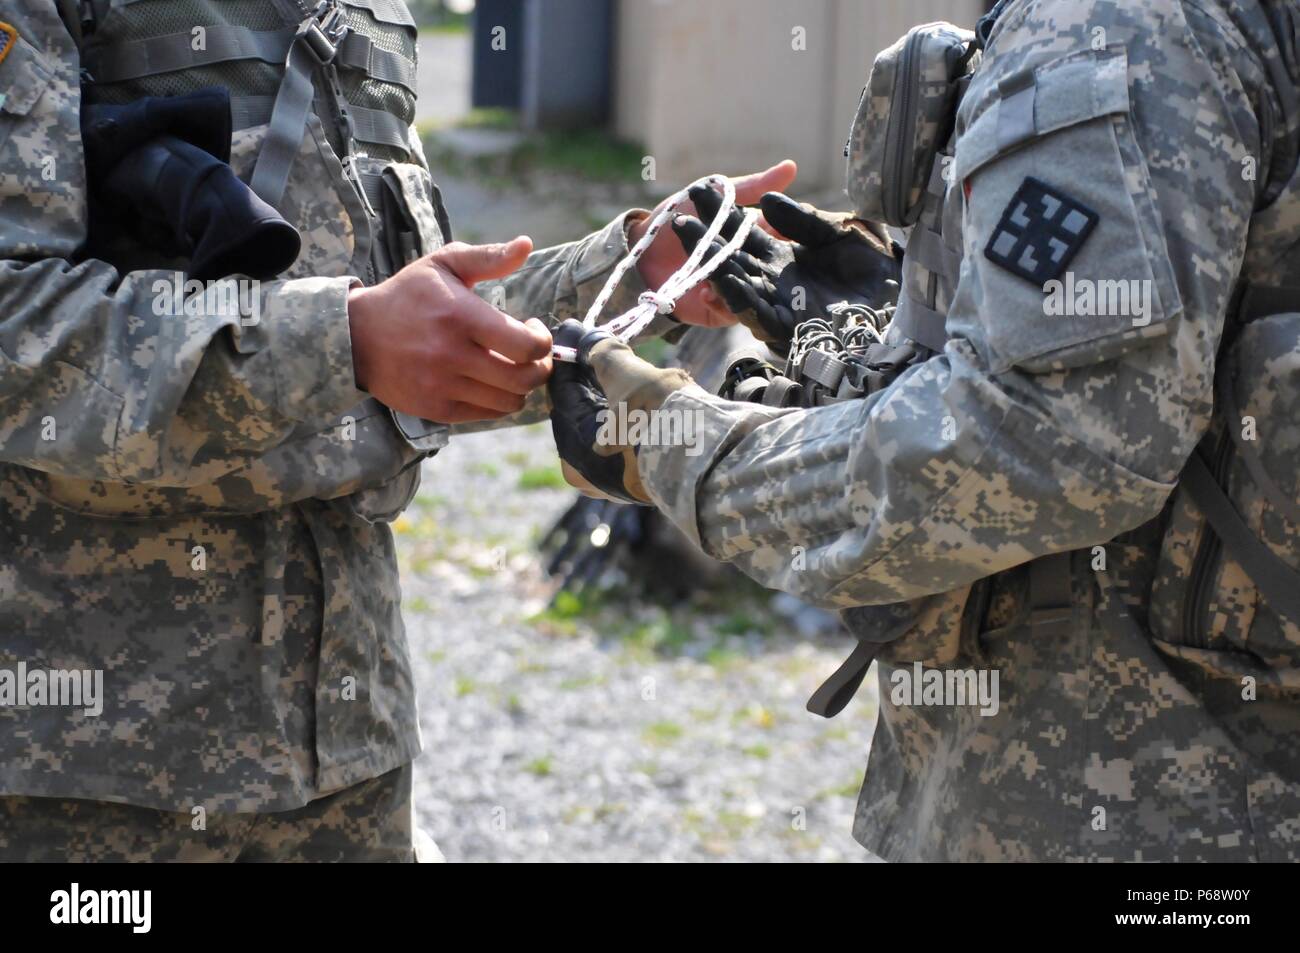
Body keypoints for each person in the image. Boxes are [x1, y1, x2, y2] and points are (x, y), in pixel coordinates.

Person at [0, 0, 793, 860]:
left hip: (351, 755)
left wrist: (632, 274)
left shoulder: (372, 12)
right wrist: (342, 342)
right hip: (90, 780)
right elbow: (18, 326)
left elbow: (415, 327)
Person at [548, 0, 1300, 861]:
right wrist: (902, 325)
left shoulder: (1118, 22)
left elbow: (1046, 442)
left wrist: (681, 451)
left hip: (1133, 814)